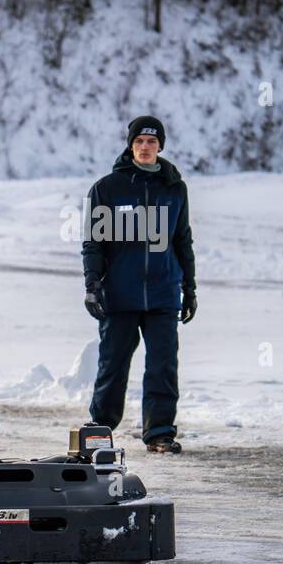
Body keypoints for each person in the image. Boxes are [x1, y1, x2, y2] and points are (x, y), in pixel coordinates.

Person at [82, 115, 197, 453]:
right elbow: (93, 242)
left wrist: (189, 287)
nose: (145, 147)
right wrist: (92, 283)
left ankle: (160, 433)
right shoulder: (108, 188)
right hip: (120, 293)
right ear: (130, 146)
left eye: (151, 142)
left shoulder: (174, 187)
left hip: (163, 292)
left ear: (160, 145)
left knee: (163, 364)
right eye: (139, 142)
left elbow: (182, 240)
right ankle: (101, 429)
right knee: (112, 364)